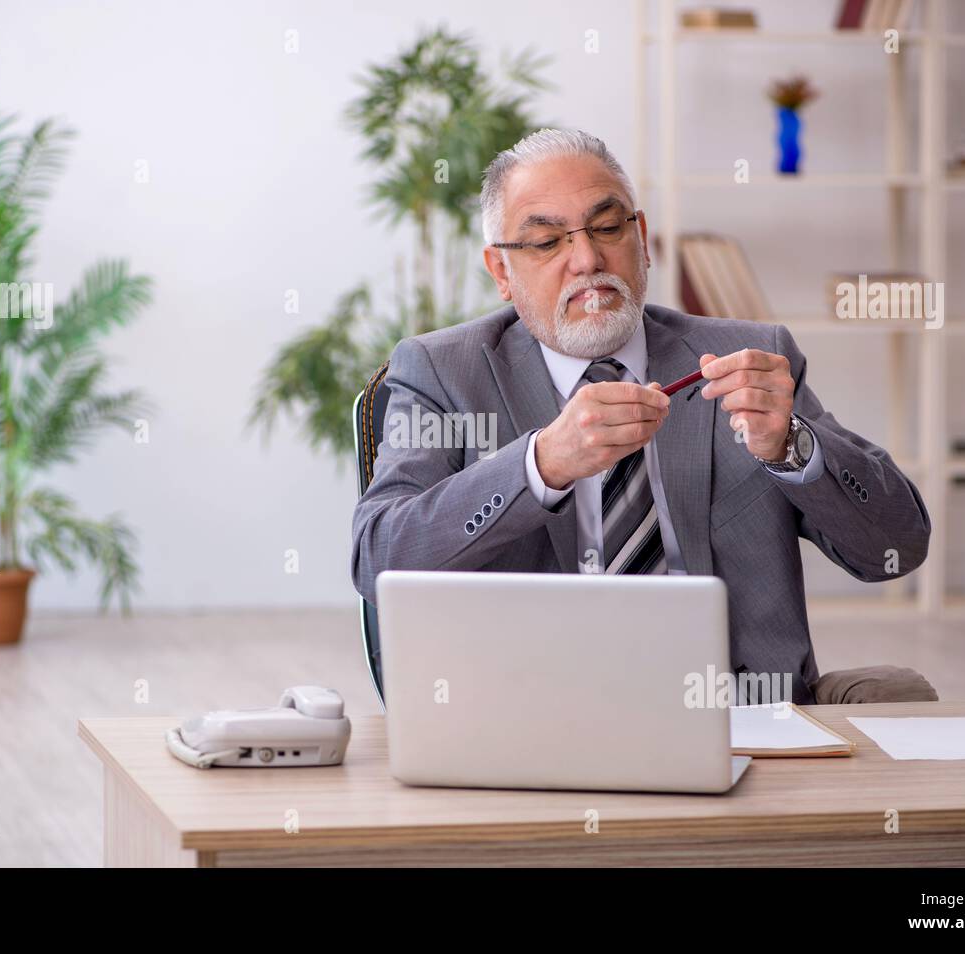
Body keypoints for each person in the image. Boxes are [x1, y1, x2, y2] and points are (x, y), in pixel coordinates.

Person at [351, 129, 931, 704]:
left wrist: (793, 446)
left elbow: (896, 549)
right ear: (501, 271)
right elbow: (381, 557)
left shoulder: (747, 359)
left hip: (740, 721)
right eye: (547, 241)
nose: (586, 259)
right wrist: (542, 464)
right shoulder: (443, 371)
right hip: (533, 721)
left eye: (606, 228)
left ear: (642, 238)